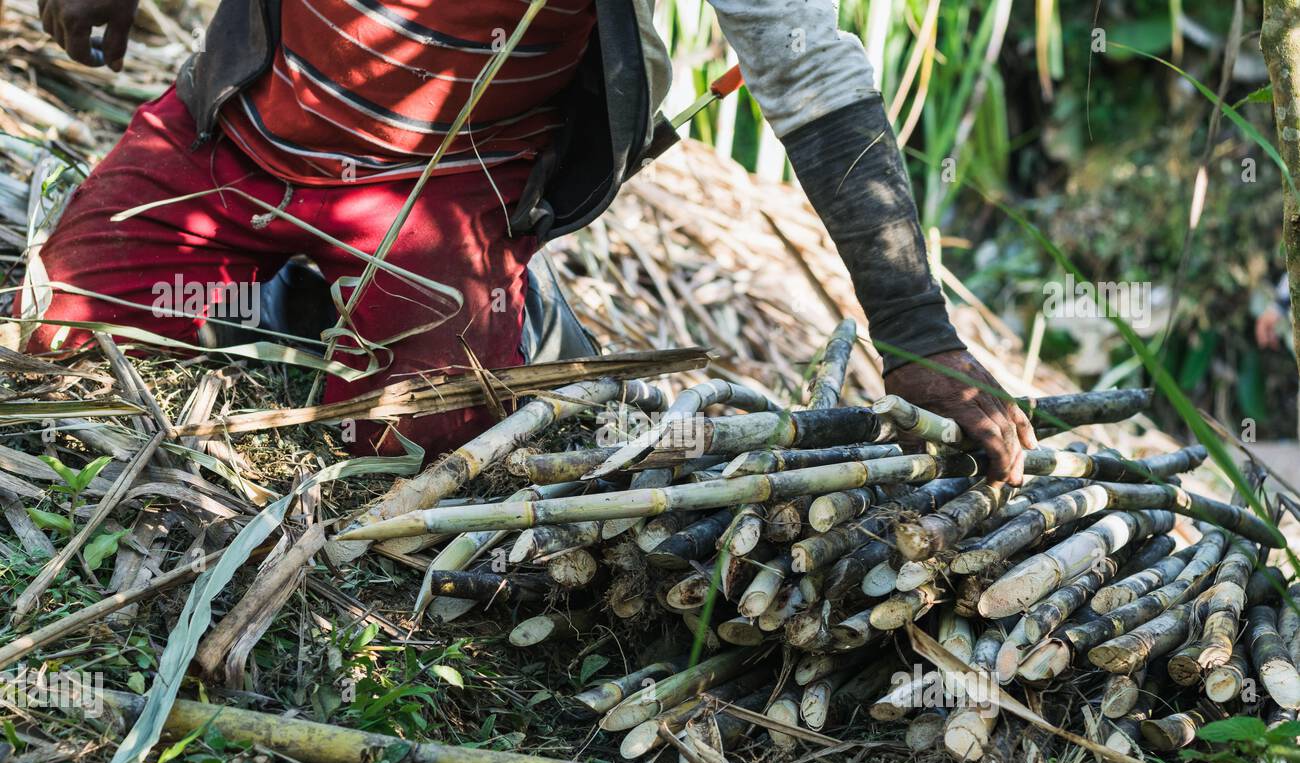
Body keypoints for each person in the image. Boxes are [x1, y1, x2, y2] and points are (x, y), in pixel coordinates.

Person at [22, 0, 1035, 482]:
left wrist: (915, 333)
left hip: (434, 197)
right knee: (63, 331)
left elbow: (814, 83)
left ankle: (519, 320)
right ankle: (291, 304)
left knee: (413, 459)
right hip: (240, 130)